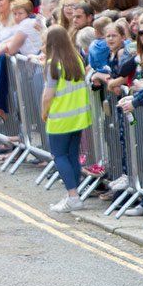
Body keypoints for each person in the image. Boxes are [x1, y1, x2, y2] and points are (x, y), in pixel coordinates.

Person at [42, 25, 93, 213]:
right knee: (72, 156)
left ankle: (72, 196)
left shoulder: (53, 64)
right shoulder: (77, 60)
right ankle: (74, 194)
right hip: (78, 118)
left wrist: (44, 112)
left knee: (59, 156)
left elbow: (48, 95)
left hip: (60, 119)